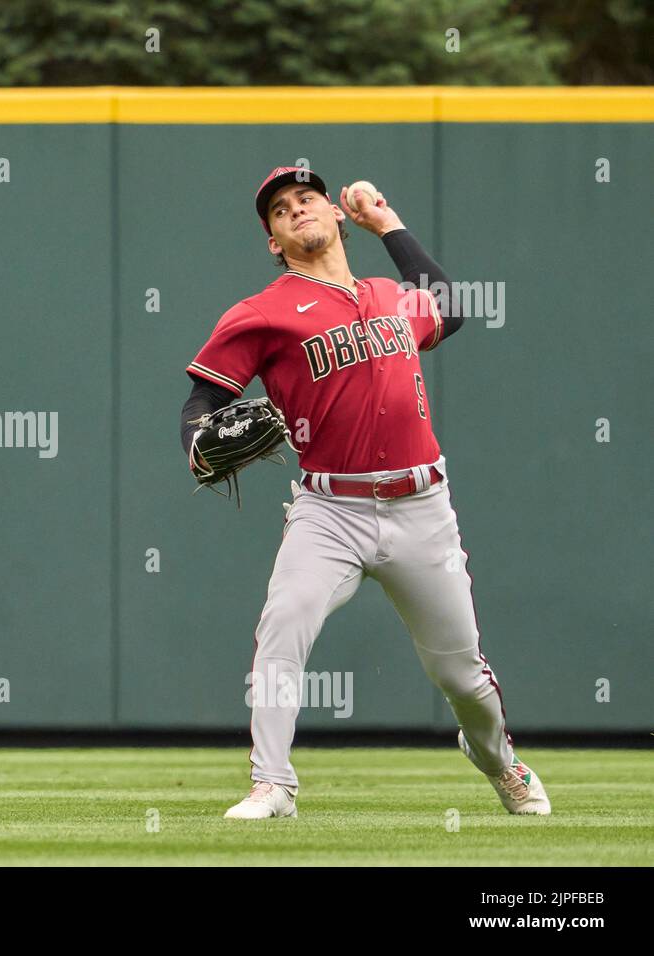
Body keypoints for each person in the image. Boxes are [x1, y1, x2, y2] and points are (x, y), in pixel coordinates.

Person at [180, 166, 550, 819]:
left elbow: (450, 306)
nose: (297, 210)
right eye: (281, 210)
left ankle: (500, 763)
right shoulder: (261, 313)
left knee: (460, 675)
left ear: (335, 215)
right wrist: (195, 441)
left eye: (307, 198)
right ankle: (273, 783)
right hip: (330, 510)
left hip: (422, 507)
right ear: (273, 239)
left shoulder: (388, 295)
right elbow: (204, 399)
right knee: (282, 626)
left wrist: (389, 224)